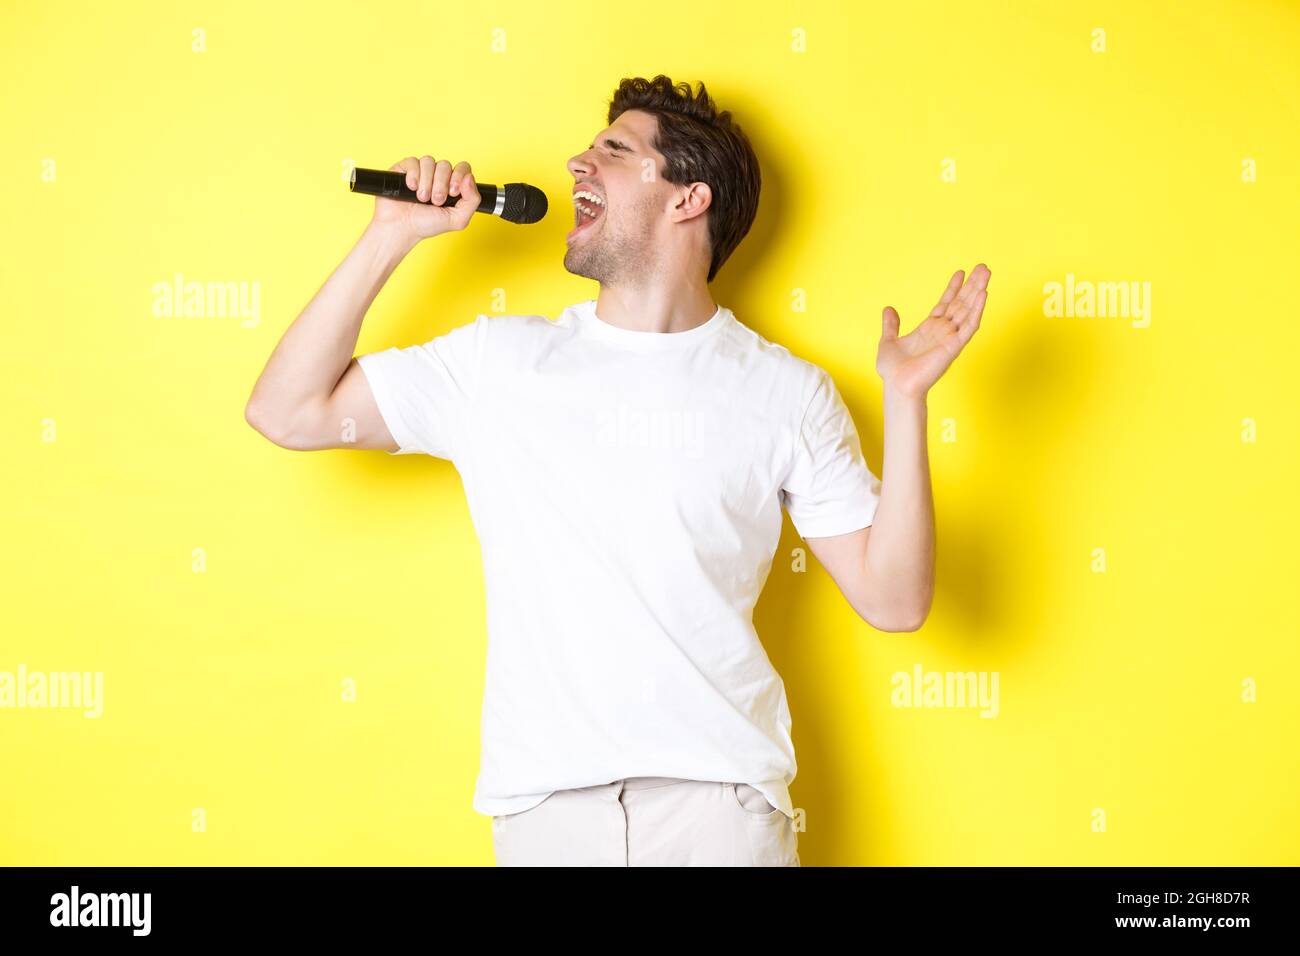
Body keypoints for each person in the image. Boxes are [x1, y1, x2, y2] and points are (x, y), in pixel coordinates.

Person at [244, 74, 990, 866]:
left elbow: (896, 599)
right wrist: (390, 234)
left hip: (720, 812)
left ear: (686, 199)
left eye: (613, 150)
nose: (576, 163)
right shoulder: (498, 363)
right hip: (546, 816)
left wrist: (906, 401)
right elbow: (286, 411)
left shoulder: (784, 392)